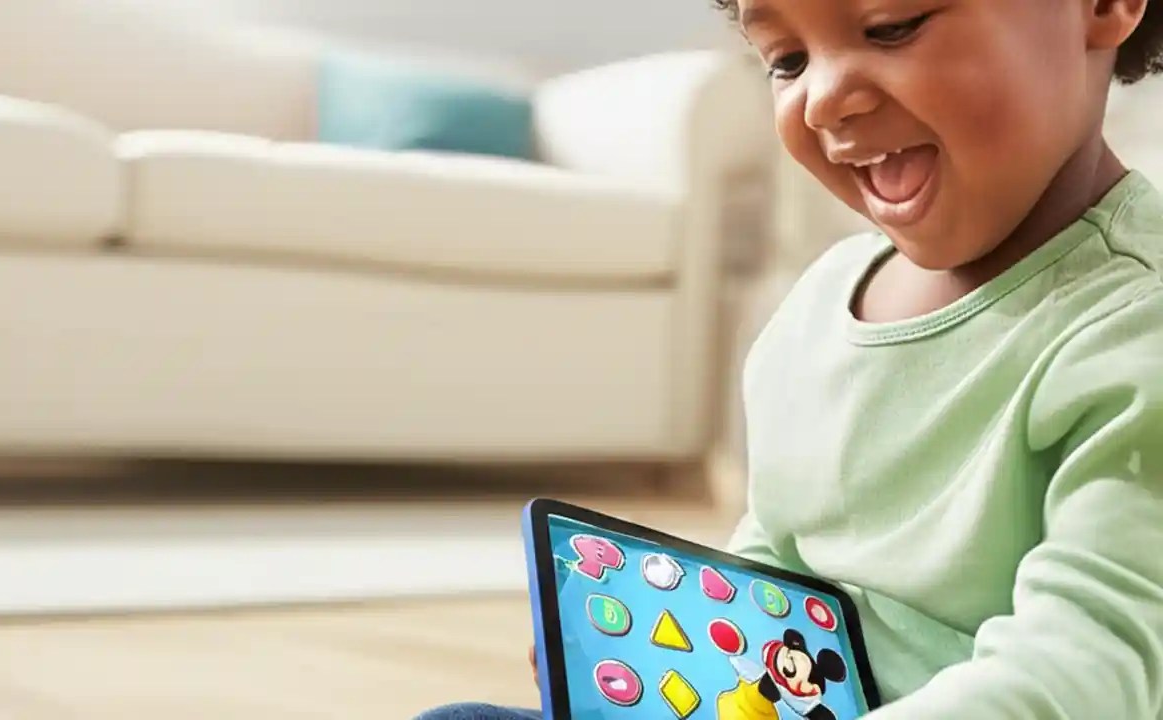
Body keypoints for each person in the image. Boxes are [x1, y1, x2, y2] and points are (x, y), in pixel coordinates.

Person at [417, 0, 1163, 717]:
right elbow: (777, 560)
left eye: (892, 27)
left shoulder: (1135, 328)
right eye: (788, 59)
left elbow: (1088, 674)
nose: (825, 99)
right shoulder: (820, 304)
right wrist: (670, 669)